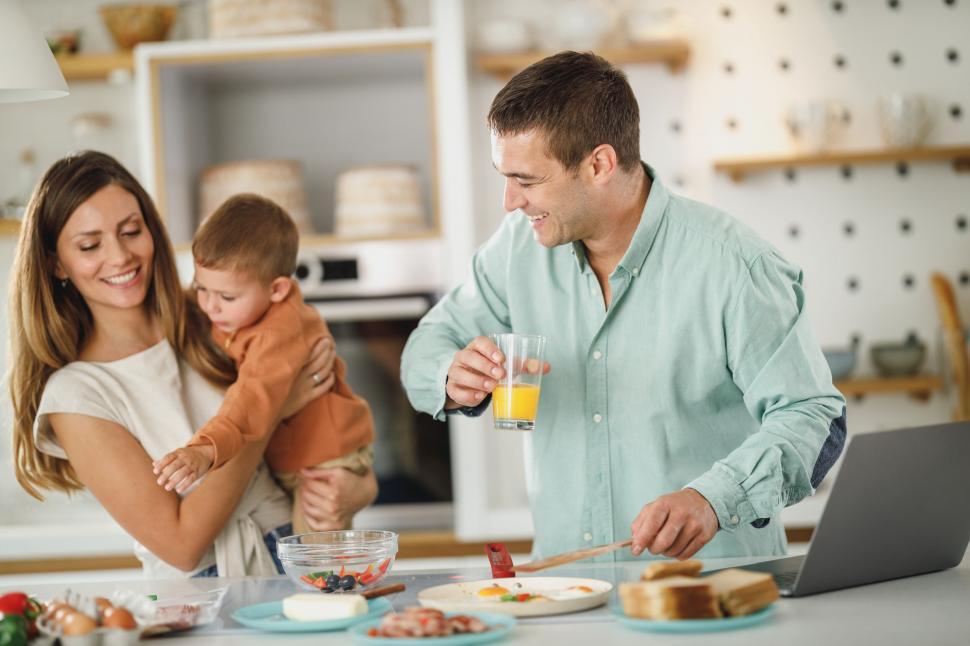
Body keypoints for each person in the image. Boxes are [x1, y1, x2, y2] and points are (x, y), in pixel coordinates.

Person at [401, 52, 847, 562]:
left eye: (526, 181)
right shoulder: (516, 250)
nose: (510, 201)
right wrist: (450, 375)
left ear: (599, 165)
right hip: (571, 595)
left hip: (712, 597)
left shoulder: (734, 265)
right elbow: (424, 348)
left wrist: (714, 498)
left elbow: (814, 416)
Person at [9, 151, 377, 578]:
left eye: (131, 231)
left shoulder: (212, 316)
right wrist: (273, 408)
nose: (120, 256)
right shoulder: (77, 395)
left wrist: (359, 489)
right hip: (201, 595)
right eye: (90, 245)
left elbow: (336, 435)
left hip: (291, 550)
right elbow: (181, 546)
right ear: (57, 264)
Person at [153, 193, 376, 535]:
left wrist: (203, 451)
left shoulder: (279, 332)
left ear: (277, 289)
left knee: (318, 568)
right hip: (288, 460)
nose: (210, 307)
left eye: (226, 297)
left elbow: (249, 400)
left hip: (324, 463)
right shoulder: (232, 308)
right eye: (201, 288)